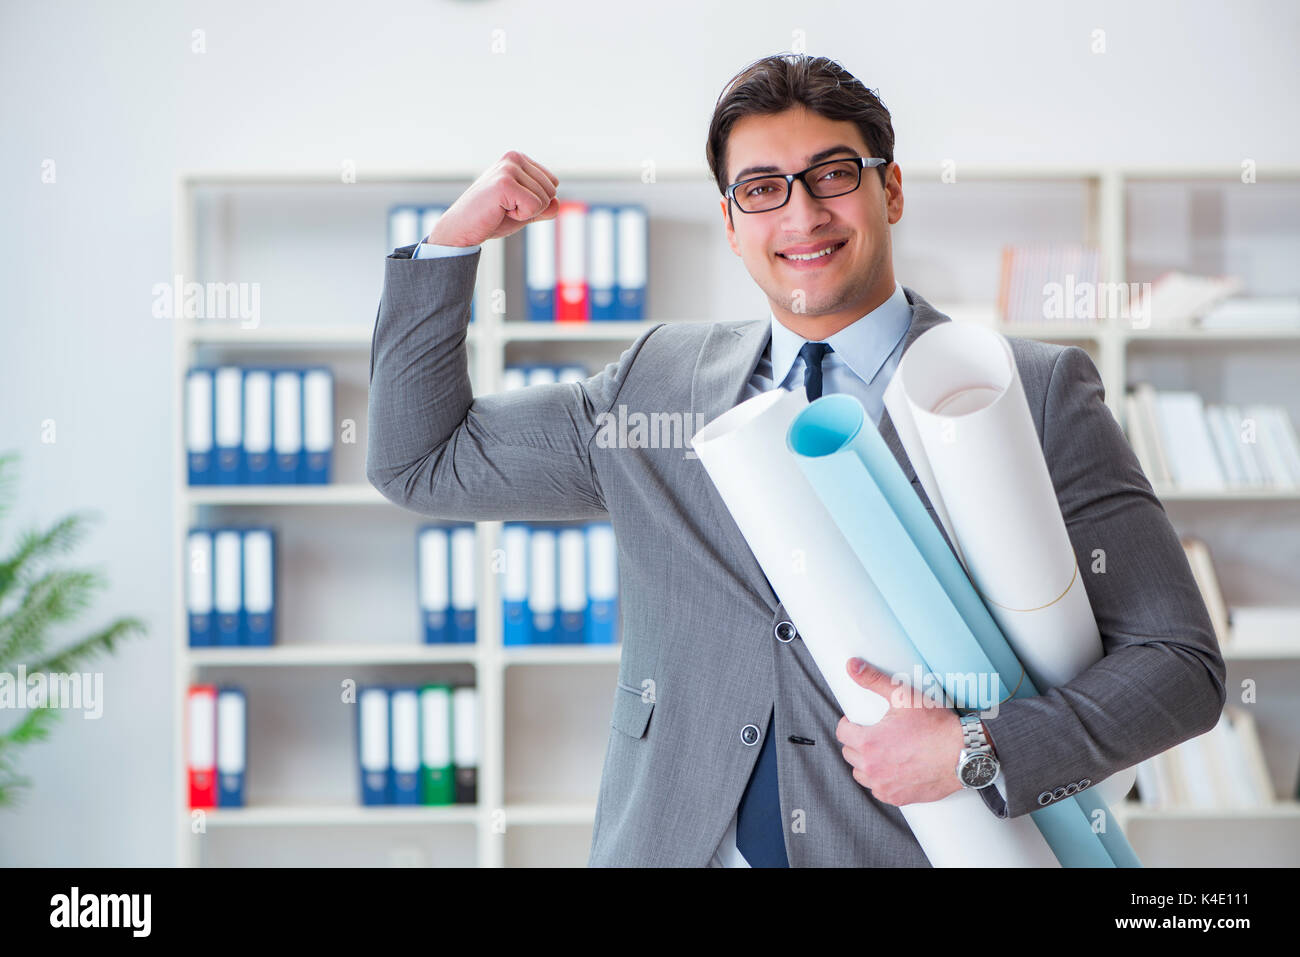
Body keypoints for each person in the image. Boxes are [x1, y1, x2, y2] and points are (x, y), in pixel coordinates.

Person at [365, 53, 1225, 867]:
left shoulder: (1021, 391)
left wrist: (978, 748)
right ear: (734, 224)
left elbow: (1179, 666)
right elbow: (422, 461)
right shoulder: (656, 385)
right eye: (763, 189)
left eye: (834, 175)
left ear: (890, 190)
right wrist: (453, 244)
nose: (804, 214)